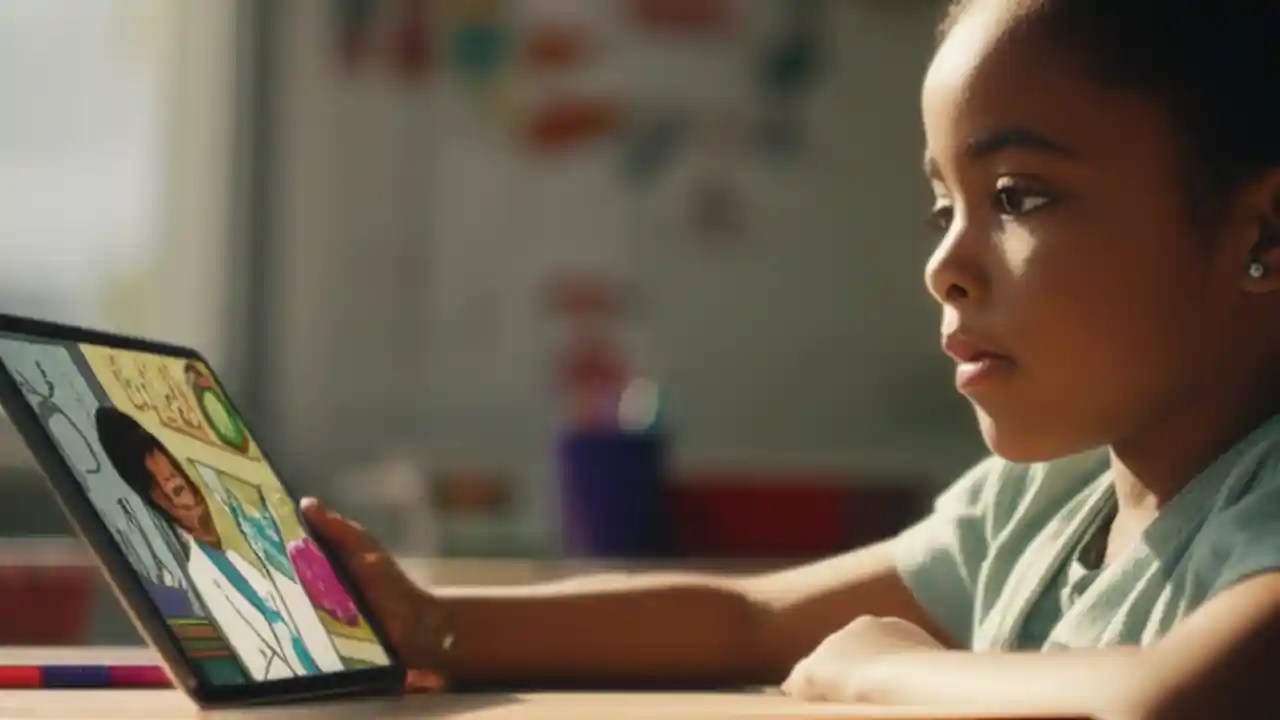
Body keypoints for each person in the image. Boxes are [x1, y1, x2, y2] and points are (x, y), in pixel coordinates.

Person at [301, 1, 1280, 717]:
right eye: (944, 207)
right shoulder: (1038, 505)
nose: (943, 265)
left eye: (1018, 196)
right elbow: (745, 621)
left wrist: (882, 672)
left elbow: (1165, 703)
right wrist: (431, 625)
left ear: (1263, 233)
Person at [95, 406, 345, 681]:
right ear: (157, 502)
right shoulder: (205, 578)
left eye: (178, 480)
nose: (184, 496)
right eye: (169, 490)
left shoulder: (257, 521)